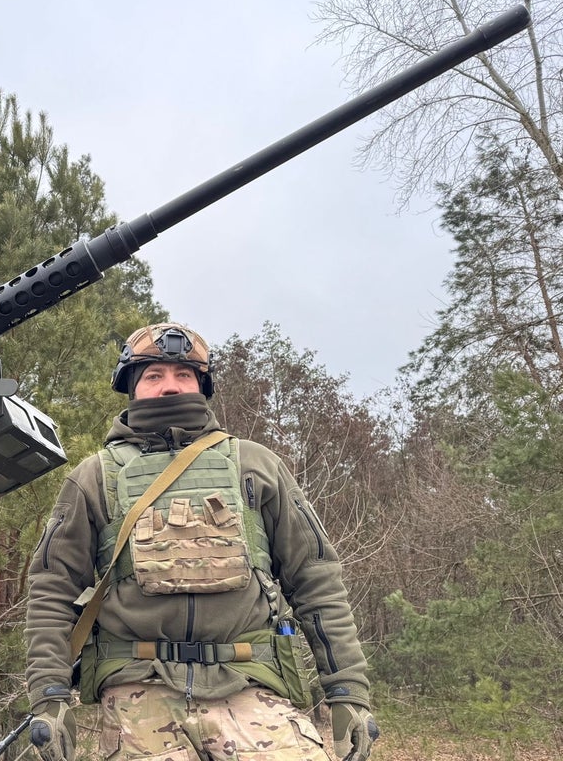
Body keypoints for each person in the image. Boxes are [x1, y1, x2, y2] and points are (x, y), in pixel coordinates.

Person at [24, 322, 379, 761]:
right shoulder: (95, 477)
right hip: (139, 692)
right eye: (153, 376)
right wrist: (51, 698)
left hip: (250, 682)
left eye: (183, 374)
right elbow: (51, 589)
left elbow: (316, 579)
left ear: (201, 385)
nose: (170, 387)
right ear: (131, 389)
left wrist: (348, 693)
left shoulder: (255, 465)